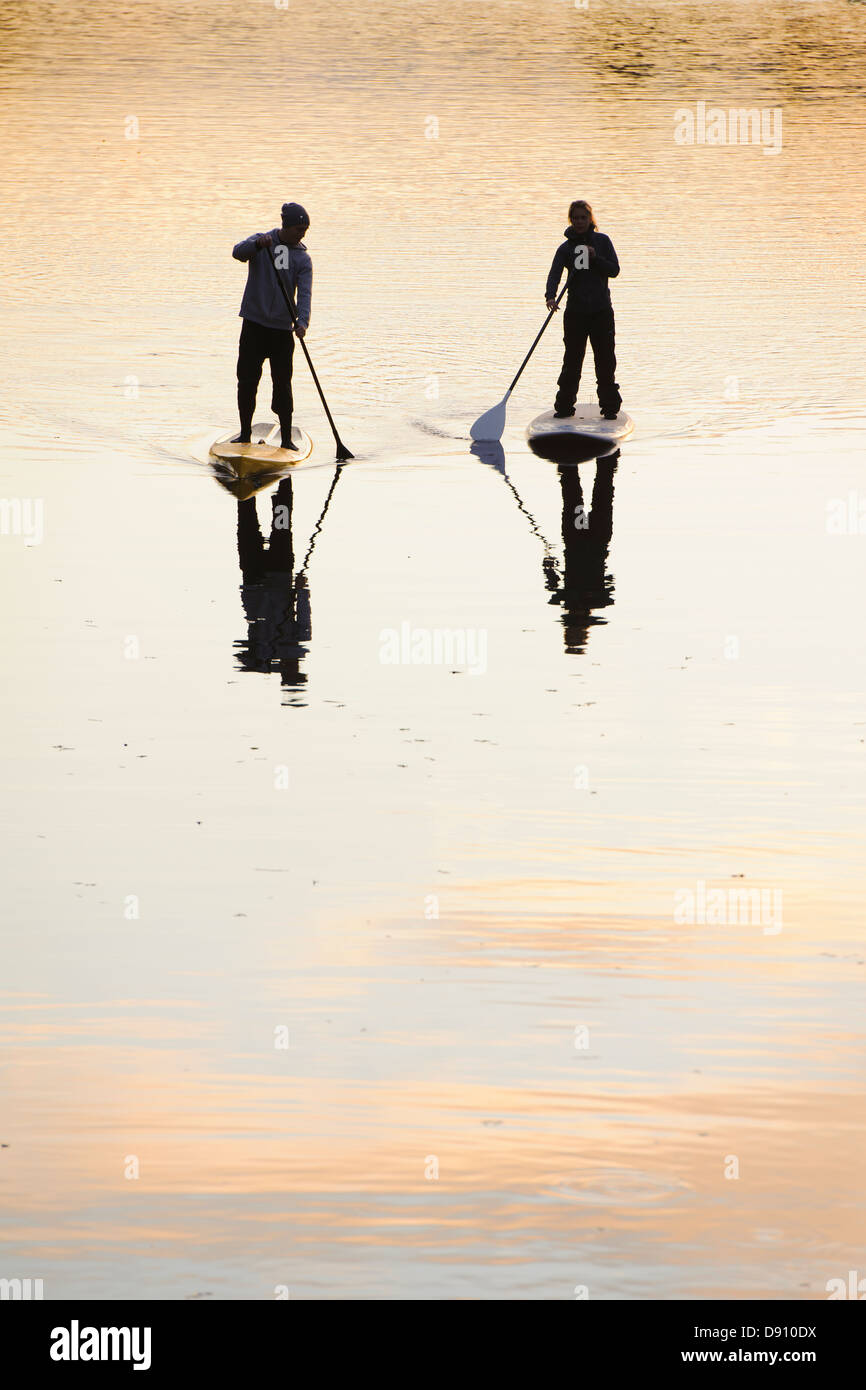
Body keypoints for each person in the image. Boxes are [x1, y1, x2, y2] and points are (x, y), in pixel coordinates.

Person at [231, 201, 312, 448]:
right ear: (285, 227)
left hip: (281, 331)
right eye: (299, 229)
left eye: (305, 230)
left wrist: (302, 322)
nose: (302, 234)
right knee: (246, 381)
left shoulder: (303, 259)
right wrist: (257, 245)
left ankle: (287, 440)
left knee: (283, 385)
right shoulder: (261, 241)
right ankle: (245, 434)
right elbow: (238, 252)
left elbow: (305, 294)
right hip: (254, 326)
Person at [545, 200, 622, 420]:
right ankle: (564, 407)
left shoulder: (602, 241)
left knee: (605, 361)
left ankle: (609, 408)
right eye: (576, 218)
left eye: (583, 218)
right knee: (572, 361)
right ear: (571, 220)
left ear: (590, 220)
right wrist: (550, 295)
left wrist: (595, 257)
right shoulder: (566, 248)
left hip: (601, 312)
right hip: (575, 313)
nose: (579, 222)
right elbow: (555, 273)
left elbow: (614, 270)